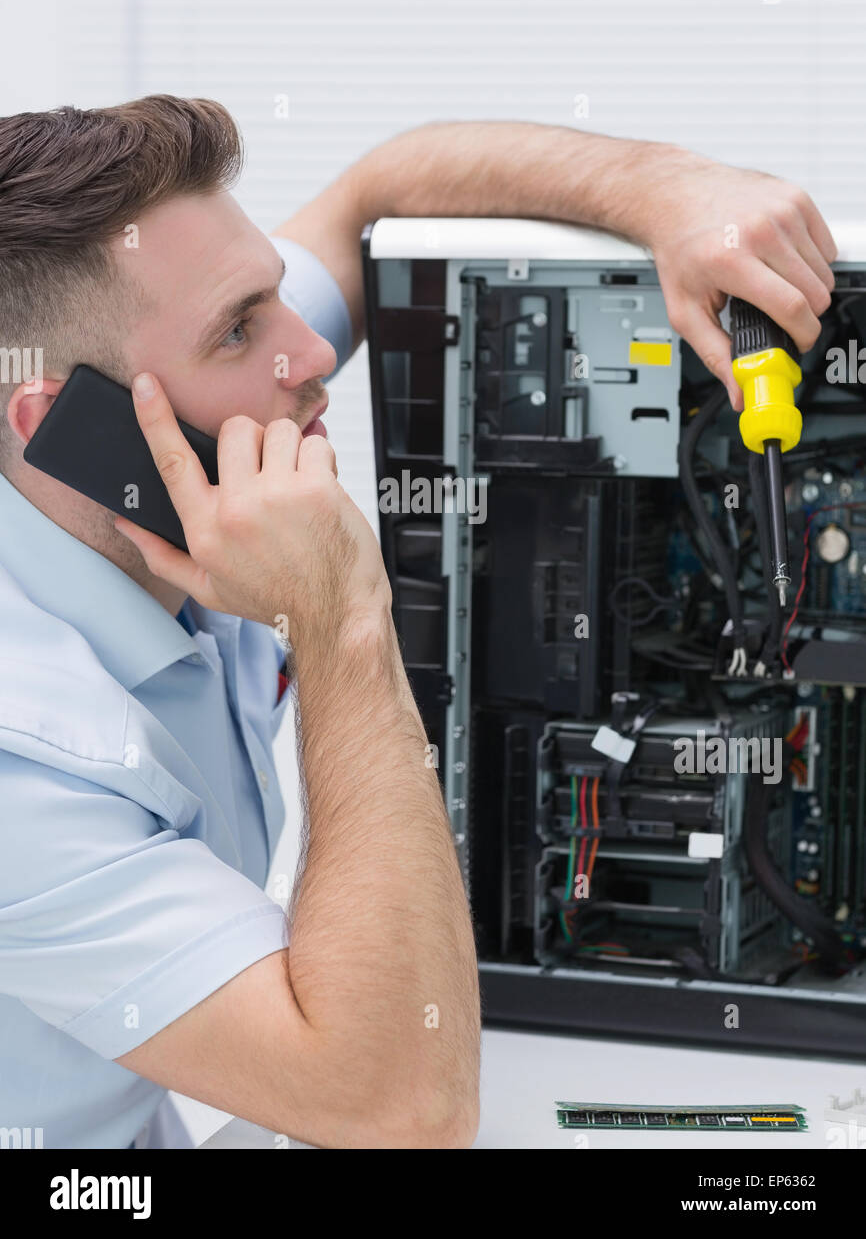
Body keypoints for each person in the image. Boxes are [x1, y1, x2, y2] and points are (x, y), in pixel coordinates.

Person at [0, 97, 836, 1149]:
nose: (309, 350)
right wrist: (341, 614)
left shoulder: (156, 436)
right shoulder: (20, 759)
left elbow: (379, 189)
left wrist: (667, 191)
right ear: (69, 430)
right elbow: (399, 1115)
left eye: (271, 295)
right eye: (239, 330)